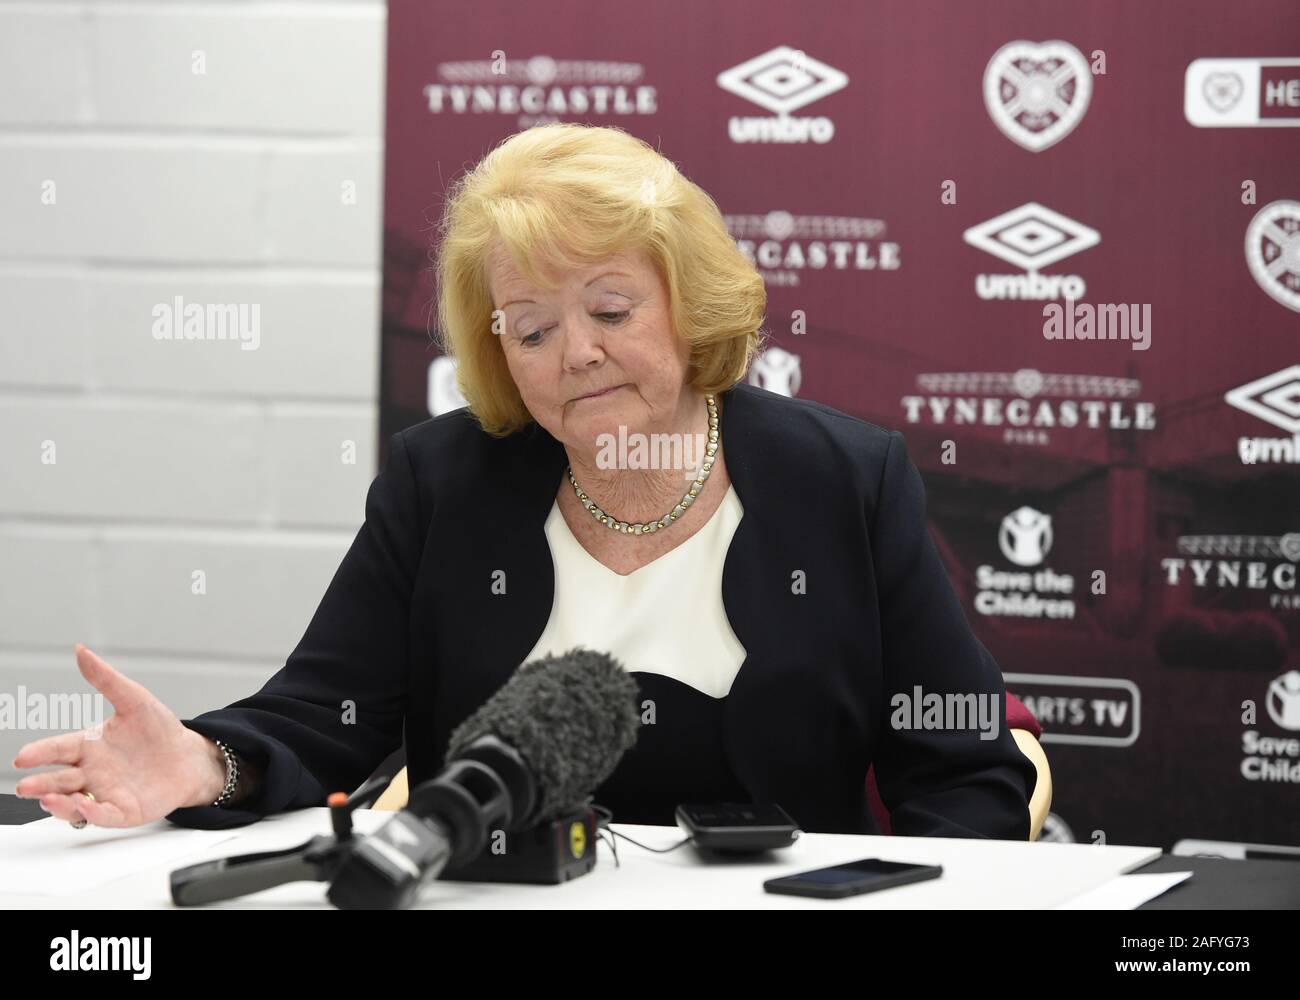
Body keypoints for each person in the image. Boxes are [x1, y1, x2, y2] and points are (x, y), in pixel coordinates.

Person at [13, 122, 1039, 838]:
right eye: (533, 327)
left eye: (610, 308)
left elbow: (959, 763)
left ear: (687, 302)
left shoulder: (844, 480)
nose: (575, 354)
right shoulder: (439, 483)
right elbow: (319, 718)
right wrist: (206, 763)